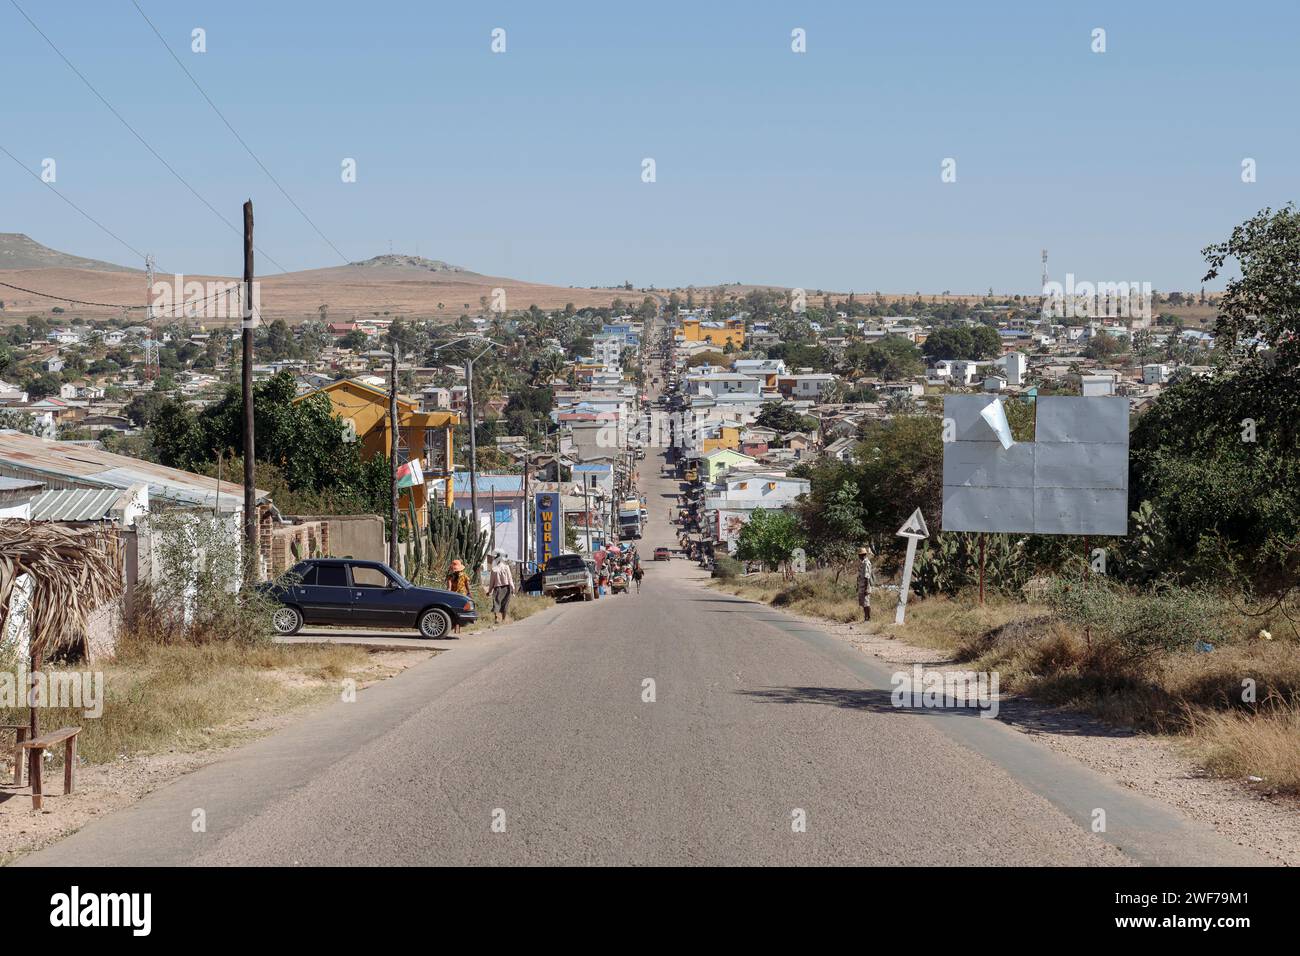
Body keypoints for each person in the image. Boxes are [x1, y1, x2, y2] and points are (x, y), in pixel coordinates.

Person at [488, 550, 515, 624]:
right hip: (506, 588)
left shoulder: (494, 569)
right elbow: (510, 578)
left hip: (497, 588)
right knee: (505, 603)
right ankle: (503, 619)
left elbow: (492, 581)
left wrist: (489, 591)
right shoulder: (506, 567)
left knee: (496, 603)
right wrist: (513, 588)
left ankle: (496, 618)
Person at [446, 558, 471, 635]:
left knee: (453, 612)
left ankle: (454, 627)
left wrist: (446, 595)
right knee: (460, 612)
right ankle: (458, 629)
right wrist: (469, 593)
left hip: (454, 596)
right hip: (462, 596)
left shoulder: (450, 577)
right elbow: (467, 586)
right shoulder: (464, 575)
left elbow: (449, 588)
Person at [856, 546, 875, 622]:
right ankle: (866, 618)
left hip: (865, 586)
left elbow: (867, 576)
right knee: (864, 603)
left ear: (863, 555)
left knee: (866, 603)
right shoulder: (862, 563)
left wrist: (866, 588)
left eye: (860, 555)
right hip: (862, 586)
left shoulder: (866, 563)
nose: (859, 556)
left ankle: (868, 618)